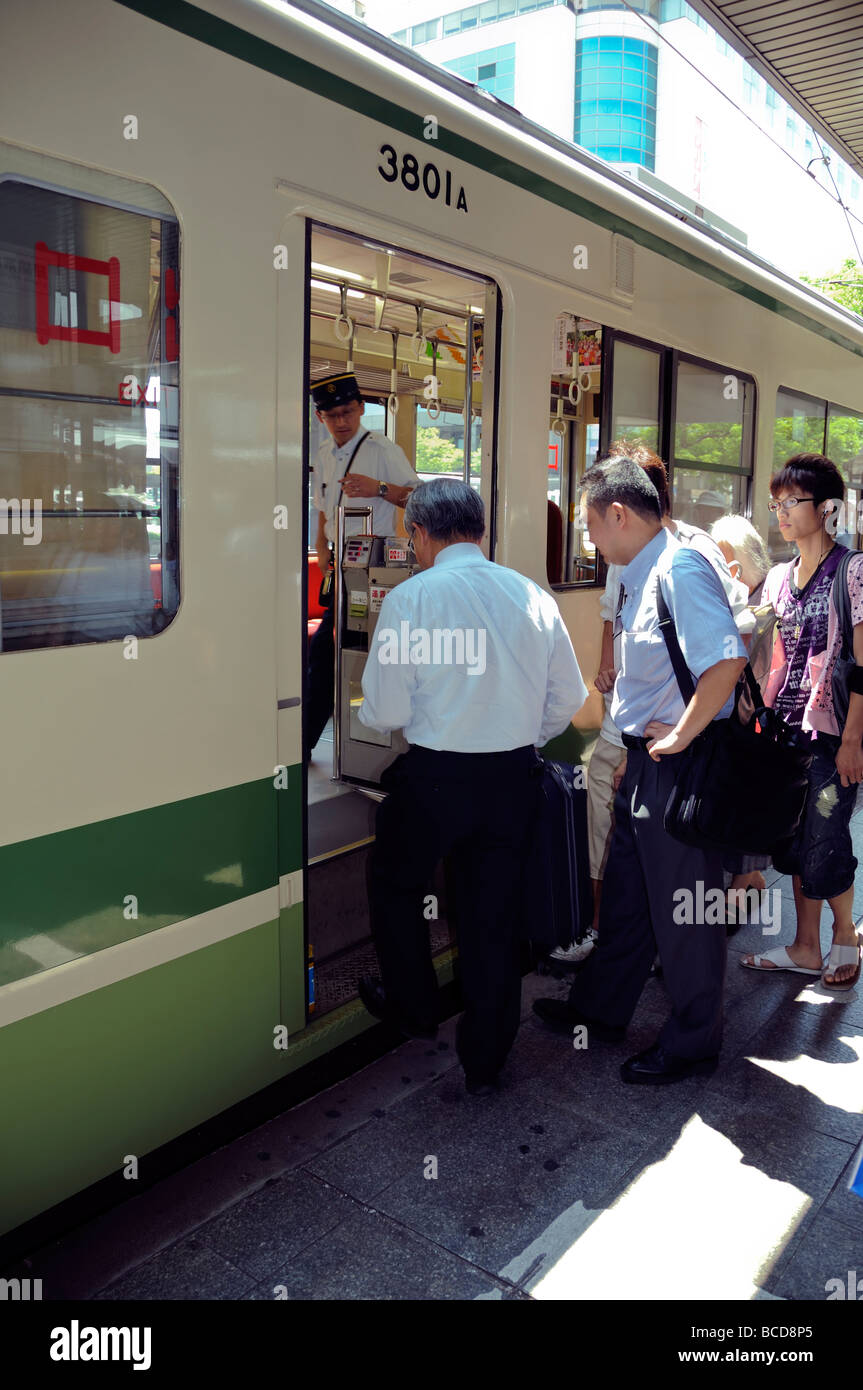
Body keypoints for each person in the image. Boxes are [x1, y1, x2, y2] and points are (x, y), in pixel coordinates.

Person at [356, 479, 588, 1094]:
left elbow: (381, 710)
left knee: (395, 882)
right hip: (512, 778)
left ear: (418, 533)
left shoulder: (411, 599)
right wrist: (518, 736)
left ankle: (413, 1006)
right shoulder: (533, 596)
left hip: (435, 778)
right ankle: (484, 1059)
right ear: (481, 532)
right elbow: (569, 696)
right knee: (492, 917)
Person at [534, 456, 747, 1083]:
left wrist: (680, 734)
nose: (592, 543)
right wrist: (636, 751)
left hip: (679, 765)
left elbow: (726, 662)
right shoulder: (640, 570)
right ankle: (600, 1009)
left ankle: (692, 1041)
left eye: (593, 528)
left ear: (620, 515)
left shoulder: (680, 567)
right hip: (645, 761)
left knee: (685, 907)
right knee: (627, 890)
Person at [741, 453, 863, 990]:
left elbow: (862, 664)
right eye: (776, 503)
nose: (781, 512)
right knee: (794, 841)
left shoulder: (852, 570)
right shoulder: (775, 578)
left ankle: (845, 937)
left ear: (828, 507)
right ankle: (804, 947)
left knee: (826, 836)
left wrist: (853, 739)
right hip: (784, 731)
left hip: (832, 731)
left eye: (791, 501)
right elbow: (763, 649)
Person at [306, 372, 418, 760]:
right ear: (320, 417)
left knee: (355, 653)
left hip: (375, 566)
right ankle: (310, 745)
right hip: (341, 568)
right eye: (332, 414)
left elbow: (419, 499)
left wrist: (380, 489)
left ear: (361, 409)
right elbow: (322, 511)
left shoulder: (382, 449)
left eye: (348, 411)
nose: (342, 421)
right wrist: (322, 551)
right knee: (328, 653)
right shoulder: (322, 455)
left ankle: (382, 748)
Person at [710, 514, 774, 929]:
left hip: (755, 729)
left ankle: (738, 895)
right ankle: (746, 883)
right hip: (743, 724)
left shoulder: (760, 607)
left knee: (746, 809)